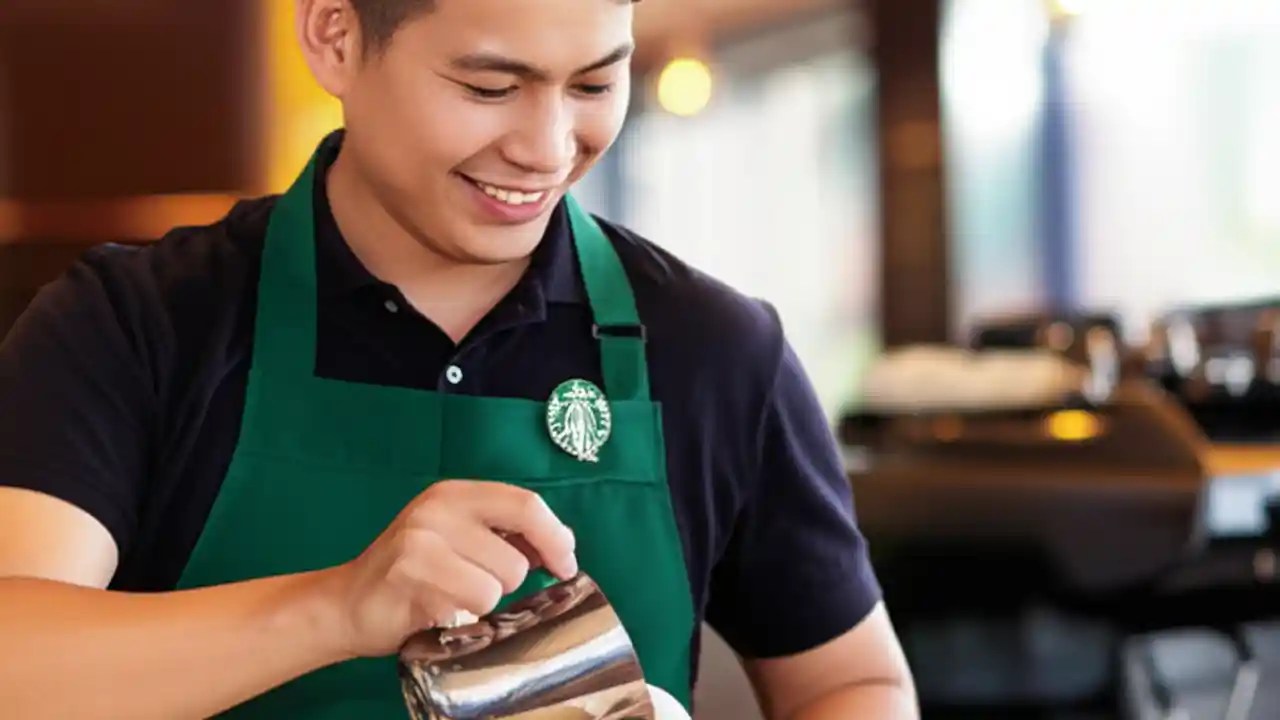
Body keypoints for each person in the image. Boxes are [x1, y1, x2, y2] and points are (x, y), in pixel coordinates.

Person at [0, 0, 917, 717]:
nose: (547, 148)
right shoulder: (132, 326)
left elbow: (853, 683)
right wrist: (337, 608)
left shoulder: (715, 348)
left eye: (594, 85)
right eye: (489, 88)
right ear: (335, 38)